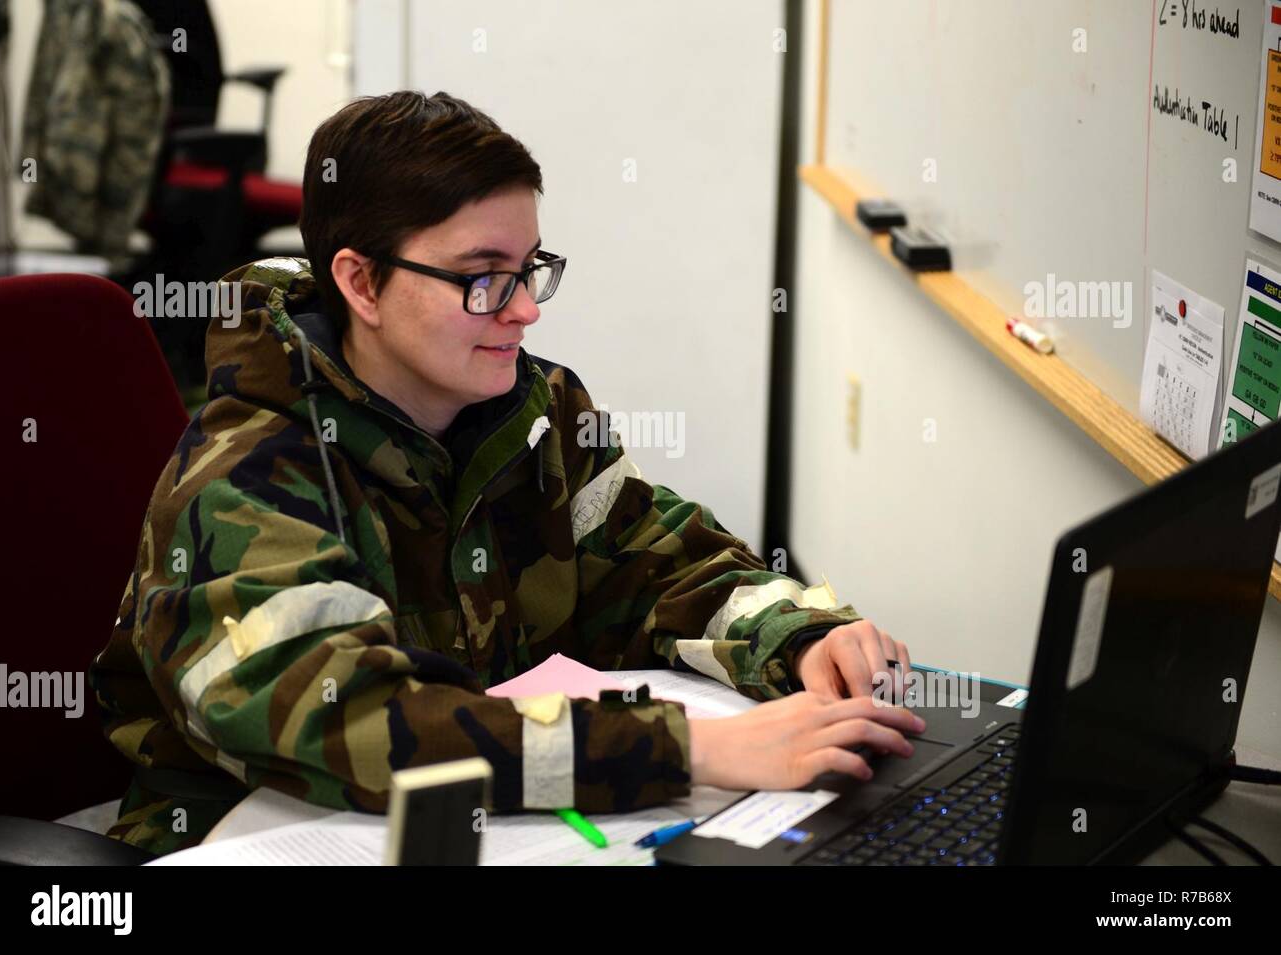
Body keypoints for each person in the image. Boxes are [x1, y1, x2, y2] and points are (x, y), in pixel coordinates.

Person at [89, 90, 923, 856]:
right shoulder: (248, 477)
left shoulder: (536, 414)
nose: (524, 308)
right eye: (483, 277)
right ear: (360, 282)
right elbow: (358, 720)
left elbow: (665, 563)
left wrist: (804, 636)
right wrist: (692, 748)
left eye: (530, 268)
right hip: (252, 838)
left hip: (488, 830)